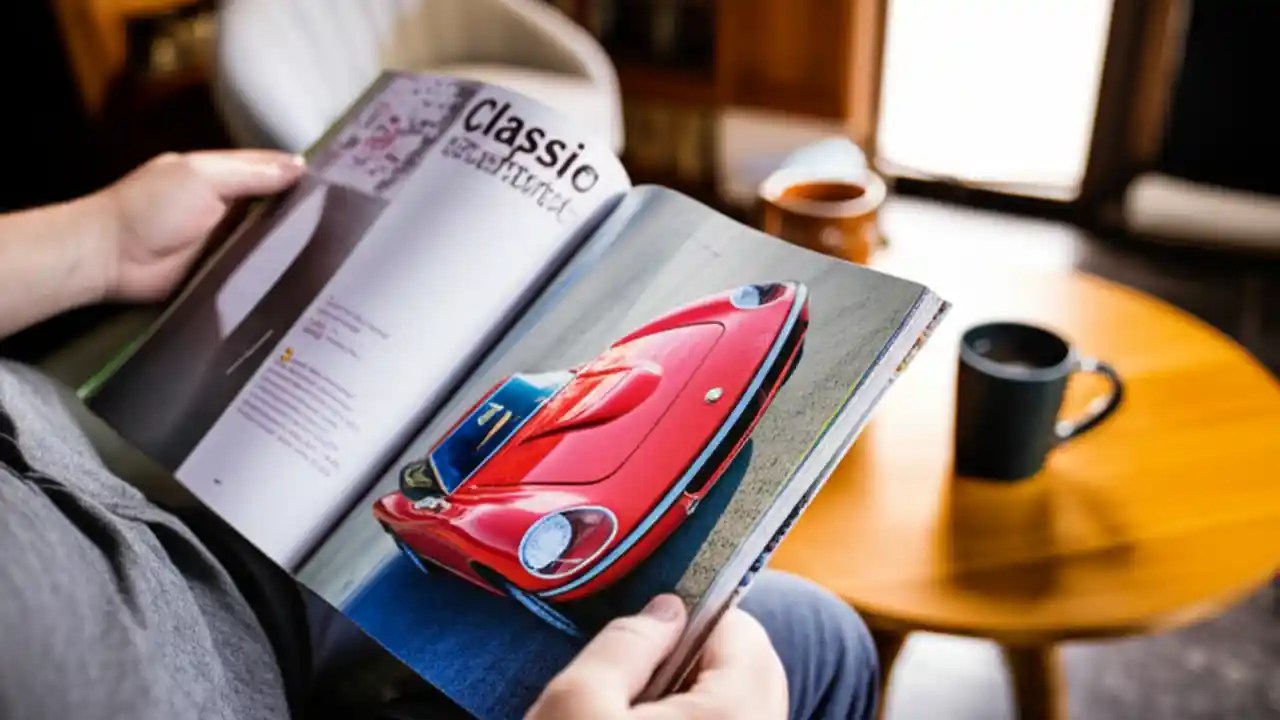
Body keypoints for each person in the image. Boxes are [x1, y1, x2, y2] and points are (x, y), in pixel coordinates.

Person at [0, 150, 879, 720]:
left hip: (171, 543)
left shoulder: (551, 393)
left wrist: (104, 239)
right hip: (239, 681)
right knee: (820, 639)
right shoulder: (452, 506)